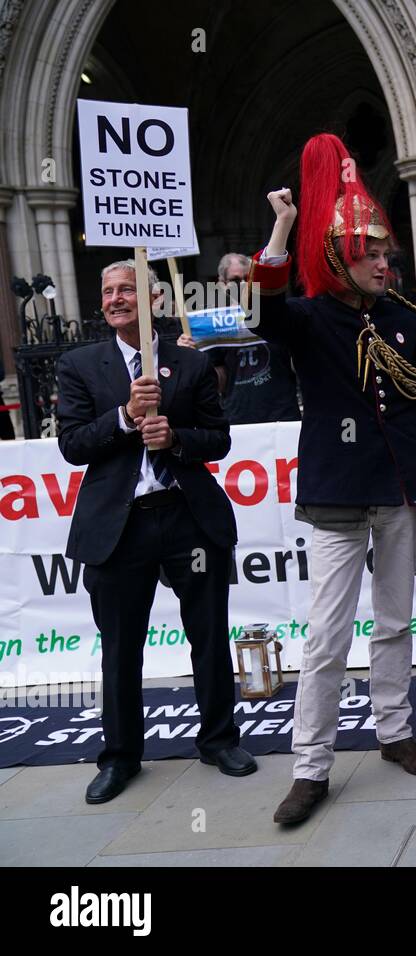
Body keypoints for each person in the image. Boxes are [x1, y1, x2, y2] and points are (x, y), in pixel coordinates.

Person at [247, 133, 416, 825]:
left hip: (397, 487)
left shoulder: (404, 320)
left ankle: (394, 733)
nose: (383, 262)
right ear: (340, 256)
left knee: (394, 621)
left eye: (387, 252)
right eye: (371, 253)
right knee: (327, 635)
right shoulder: (308, 316)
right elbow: (262, 310)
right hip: (337, 492)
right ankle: (311, 767)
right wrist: (283, 224)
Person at [56, 260, 254, 804]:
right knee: (121, 646)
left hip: (187, 516)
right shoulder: (80, 365)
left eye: (127, 289)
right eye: (108, 291)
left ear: (154, 301)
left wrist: (177, 439)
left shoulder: (188, 365)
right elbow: (72, 445)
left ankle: (218, 740)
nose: (116, 298)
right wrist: (124, 415)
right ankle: (121, 757)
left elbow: (219, 439)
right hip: (119, 527)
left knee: (209, 636)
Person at [209, 253, 302, 424]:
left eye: (248, 278)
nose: (243, 284)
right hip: (238, 419)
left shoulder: (279, 313)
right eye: (236, 280)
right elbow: (218, 384)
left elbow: (299, 366)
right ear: (222, 285)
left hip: (282, 417)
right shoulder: (213, 324)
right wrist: (194, 354)